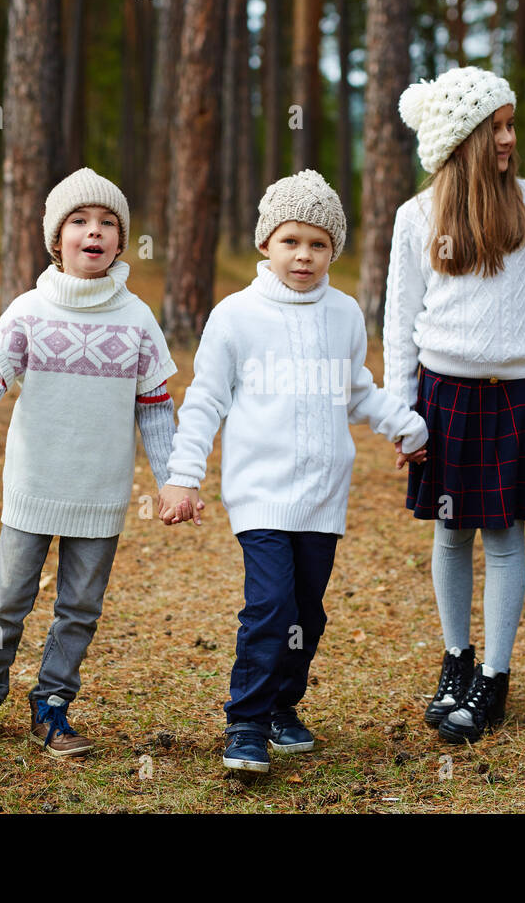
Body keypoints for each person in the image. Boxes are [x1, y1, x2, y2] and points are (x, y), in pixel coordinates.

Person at [0, 168, 177, 759]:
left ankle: (52, 705)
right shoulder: (28, 311)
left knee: (80, 607)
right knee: (7, 599)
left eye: (107, 224)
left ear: (121, 242)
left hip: (100, 492)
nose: (93, 232)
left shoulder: (138, 320)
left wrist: (174, 481)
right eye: (79, 221)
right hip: (33, 486)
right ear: (56, 239)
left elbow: (155, 410)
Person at [159, 169, 427, 774]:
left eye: (318, 243)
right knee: (271, 606)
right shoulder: (236, 316)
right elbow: (205, 401)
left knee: (309, 613)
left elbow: (355, 390)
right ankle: (247, 721)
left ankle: (284, 706)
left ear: (334, 249)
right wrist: (184, 477)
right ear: (265, 244)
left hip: (324, 497)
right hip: (260, 493)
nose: (304, 255)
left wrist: (406, 427)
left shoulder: (344, 314)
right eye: (291, 241)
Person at [385, 66, 525, 744]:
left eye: (510, 126)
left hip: (517, 399)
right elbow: (398, 322)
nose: (508, 139)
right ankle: (456, 658)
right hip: (442, 397)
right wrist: (401, 412)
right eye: (496, 128)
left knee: (504, 537)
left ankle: (495, 678)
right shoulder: (415, 217)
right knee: (451, 533)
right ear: (464, 138)